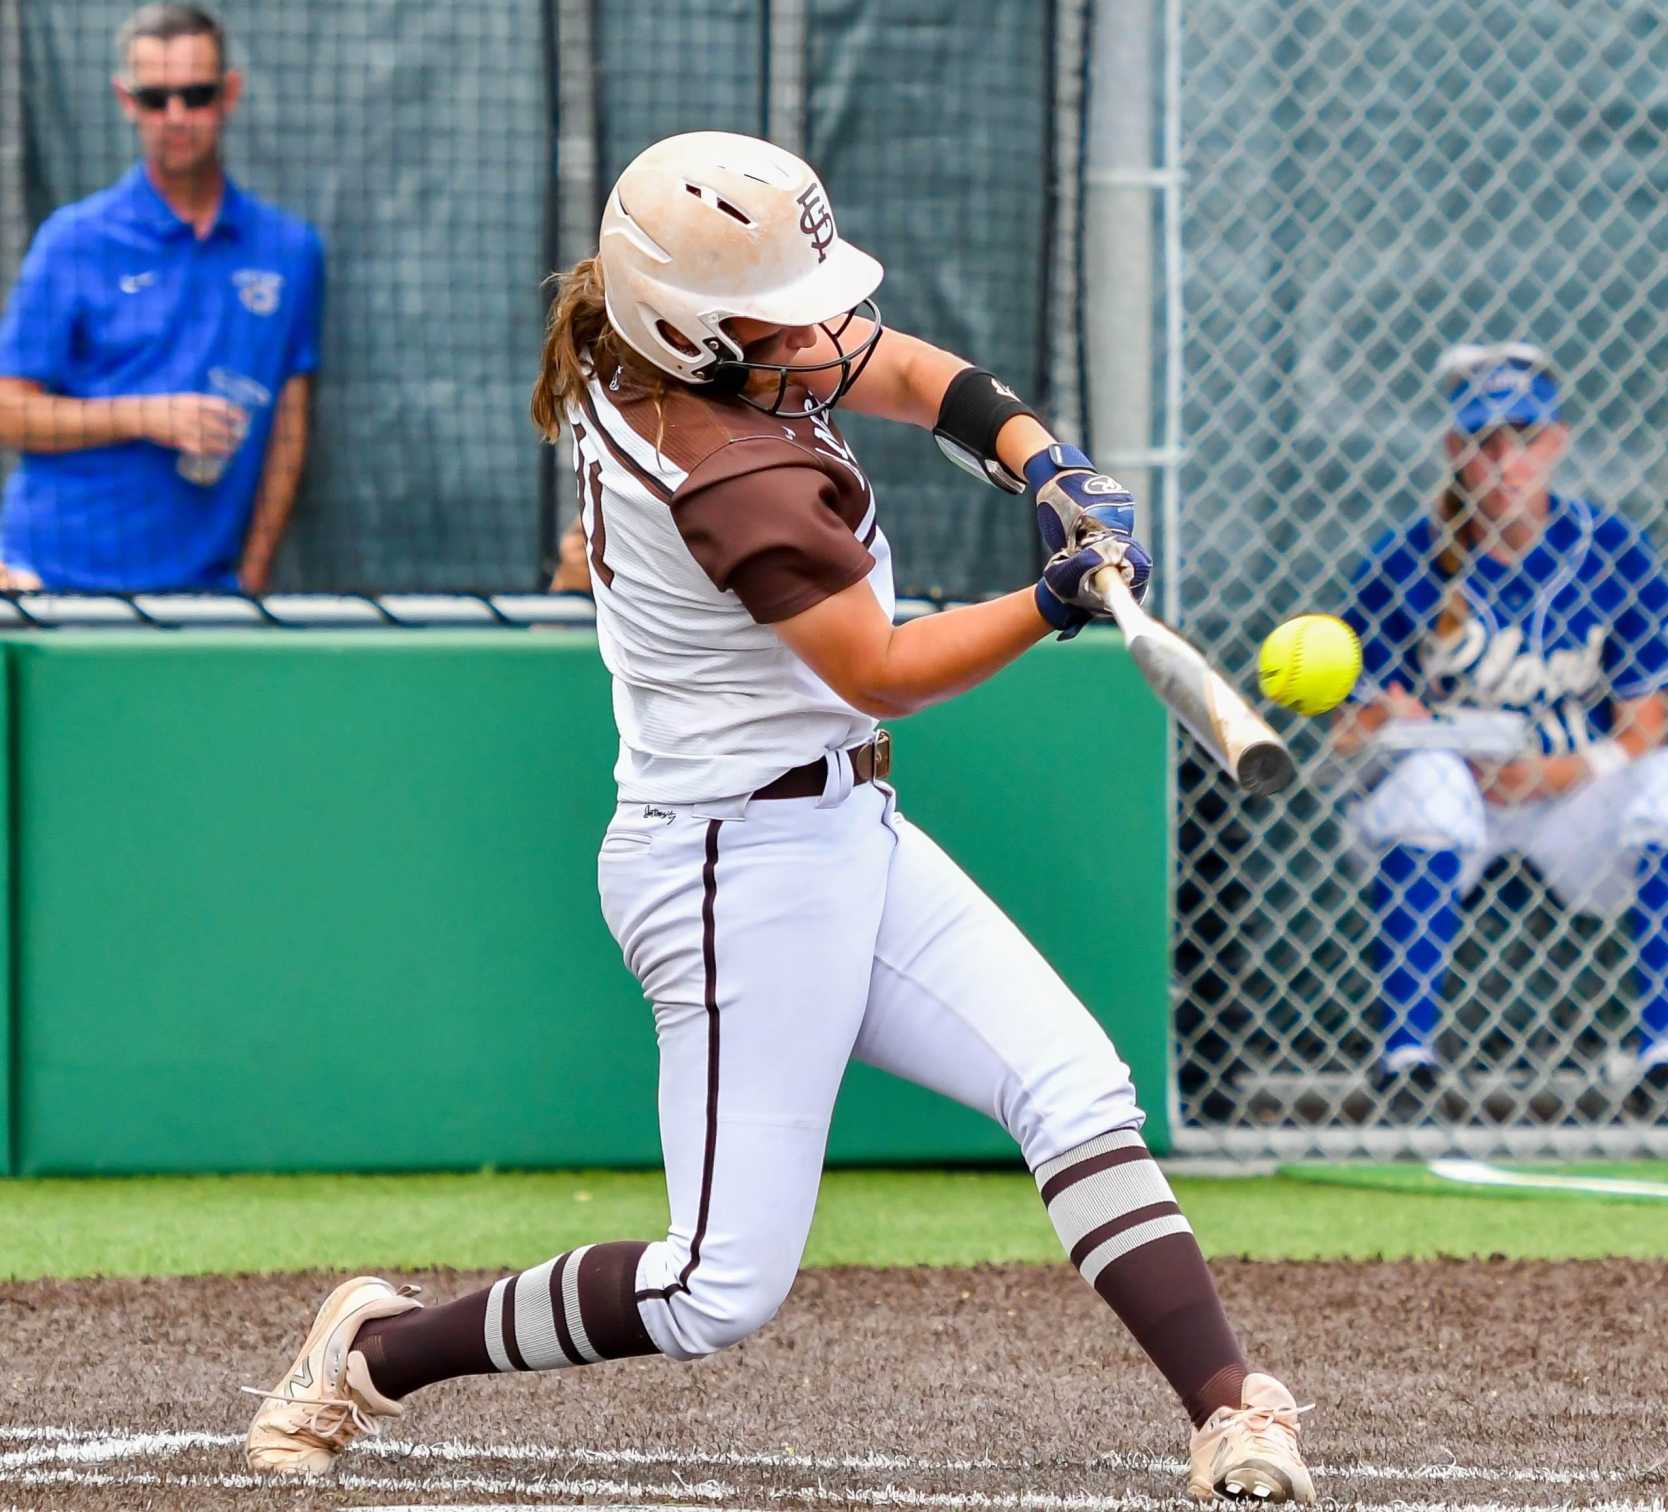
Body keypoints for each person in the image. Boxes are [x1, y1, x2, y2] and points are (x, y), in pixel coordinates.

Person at [243, 132, 1314, 1506]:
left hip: (838, 826)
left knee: (1074, 1086)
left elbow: (917, 375)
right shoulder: (728, 474)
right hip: (728, 865)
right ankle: (377, 1352)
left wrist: (1046, 464)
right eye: (787, 314)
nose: (826, 333)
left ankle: (1230, 1405)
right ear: (695, 332)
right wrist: (1057, 599)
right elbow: (887, 672)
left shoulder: (690, 346)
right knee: (714, 1288)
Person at [1333, 343, 1668, 1120]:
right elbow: (1349, 733)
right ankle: (1406, 1063)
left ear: (1557, 443)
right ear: (1457, 452)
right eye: (1486, 443)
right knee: (1430, 785)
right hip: (1455, 809)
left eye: (1524, 438)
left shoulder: (1613, 549)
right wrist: (1399, 725)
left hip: (1567, 805)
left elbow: (1647, 720)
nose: (1506, 461)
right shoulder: (1407, 559)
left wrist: (1562, 773)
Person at [0, 3, 322, 593]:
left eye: (195, 95)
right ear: (127, 101)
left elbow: (288, 427)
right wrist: (149, 415)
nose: (176, 116)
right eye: (156, 98)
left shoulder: (289, 251)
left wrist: (249, 580)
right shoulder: (74, 239)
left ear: (229, 94)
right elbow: (7, 411)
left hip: (201, 595)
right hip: (51, 579)